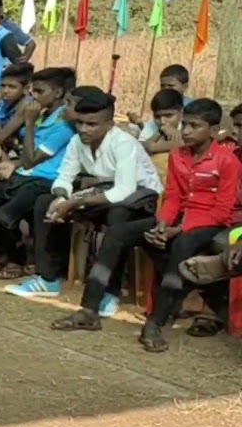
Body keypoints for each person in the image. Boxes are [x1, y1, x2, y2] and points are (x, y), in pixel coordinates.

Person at [51, 99, 240, 351]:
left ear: (213, 131)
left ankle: (155, 323)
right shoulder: (178, 155)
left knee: (182, 245)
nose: (185, 131)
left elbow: (222, 211)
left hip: (209, 223)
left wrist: (178, 229)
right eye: (185, 124)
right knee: (117, 233)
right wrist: (162, 223)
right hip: (177, 219)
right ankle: (88, 310)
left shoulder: (228, 161)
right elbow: (172, 197)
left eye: (195, 126)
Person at [7, 87, 165, 299]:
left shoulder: (124, 143)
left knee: (118, 215)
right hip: (102, 195)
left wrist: (72, 203)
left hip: (139, 202)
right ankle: (47, 279)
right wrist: (61, 198)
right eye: (80, 123)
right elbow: (64, 177)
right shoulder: (76, 142)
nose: (83, 129)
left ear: (109, 124)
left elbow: (124, 191)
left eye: (92, 124)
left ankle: (110, 292)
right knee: (46, 202)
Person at [0, 67, 75, 282]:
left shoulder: (63, 125)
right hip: (20, 174)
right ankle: (3, 252)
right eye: (33, 91)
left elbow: (31, 159)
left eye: (39, 92)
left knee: (3, 217)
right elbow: (21, 150)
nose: (34, 96)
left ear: (58, 93)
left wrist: (28, 123)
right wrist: (12, 161)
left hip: (42, 180)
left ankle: (16, 258)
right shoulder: (41, 115)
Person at [136, 88, 183, 183]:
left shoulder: (188, 125)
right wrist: (160, 132)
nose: (162, 121)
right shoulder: (151, 125)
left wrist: (156, 147)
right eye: (157, 117)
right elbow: (139, 149)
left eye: (168, 116)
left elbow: (191, 144)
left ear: (181, 113)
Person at [127, 64, 191, 131]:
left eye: (171, 86)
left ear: (185, 86)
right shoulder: (159, 102)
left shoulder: (192, 107)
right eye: (162, 86)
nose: (166, 89)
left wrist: (140, 124)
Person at [0, 62, 33, 153]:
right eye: (2, 86)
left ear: (26, 89)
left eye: (12, 87)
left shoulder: (26, 104)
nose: (5, 91)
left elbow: (0, 137)